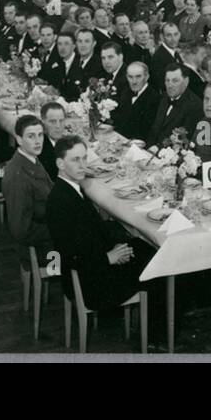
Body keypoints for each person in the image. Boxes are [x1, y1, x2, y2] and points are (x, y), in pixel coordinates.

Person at [44, 136, 163, 341]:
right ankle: (154, 337)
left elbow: (89, 235)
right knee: (158, 265)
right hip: (92, 283)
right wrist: (109, 257)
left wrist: (117, 246)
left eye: (84, 158)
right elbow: (71, 254)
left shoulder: (68, 190)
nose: (83, 165)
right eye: (75, 160)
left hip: (92, 267)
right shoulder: (61, 201)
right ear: (60, 164)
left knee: (146, 248)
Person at [2, 114, 54, 263]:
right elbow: (21, 231)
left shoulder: (30, 158)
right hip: (46, 249)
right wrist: (60, 227)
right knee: (92, 253)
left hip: (47, 229)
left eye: (40, 135)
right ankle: (63, 278)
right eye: (31, 136)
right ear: (19, 140)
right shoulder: (18, 176)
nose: (38, 141)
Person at [146, 65, 204, 147]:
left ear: (186, 81)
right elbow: (155, 129)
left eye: (175, 81)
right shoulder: (165, 97)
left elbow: (182, 140)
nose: (170, 85)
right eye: (167, 80)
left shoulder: (195, 106)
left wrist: (156, 149)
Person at [112, 60, 159, 143]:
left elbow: (146, 132)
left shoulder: (155, 98)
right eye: (130, 77)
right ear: (126, 77)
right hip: (120, 140)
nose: (134, 81)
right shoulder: (125, 92)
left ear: (147, 76)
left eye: (138, 77)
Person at [39, 101, 67, 179]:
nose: (58, 126)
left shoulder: (61, 141)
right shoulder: (40, 149)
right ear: (43, 122)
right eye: (52, 122)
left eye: (61, 121)